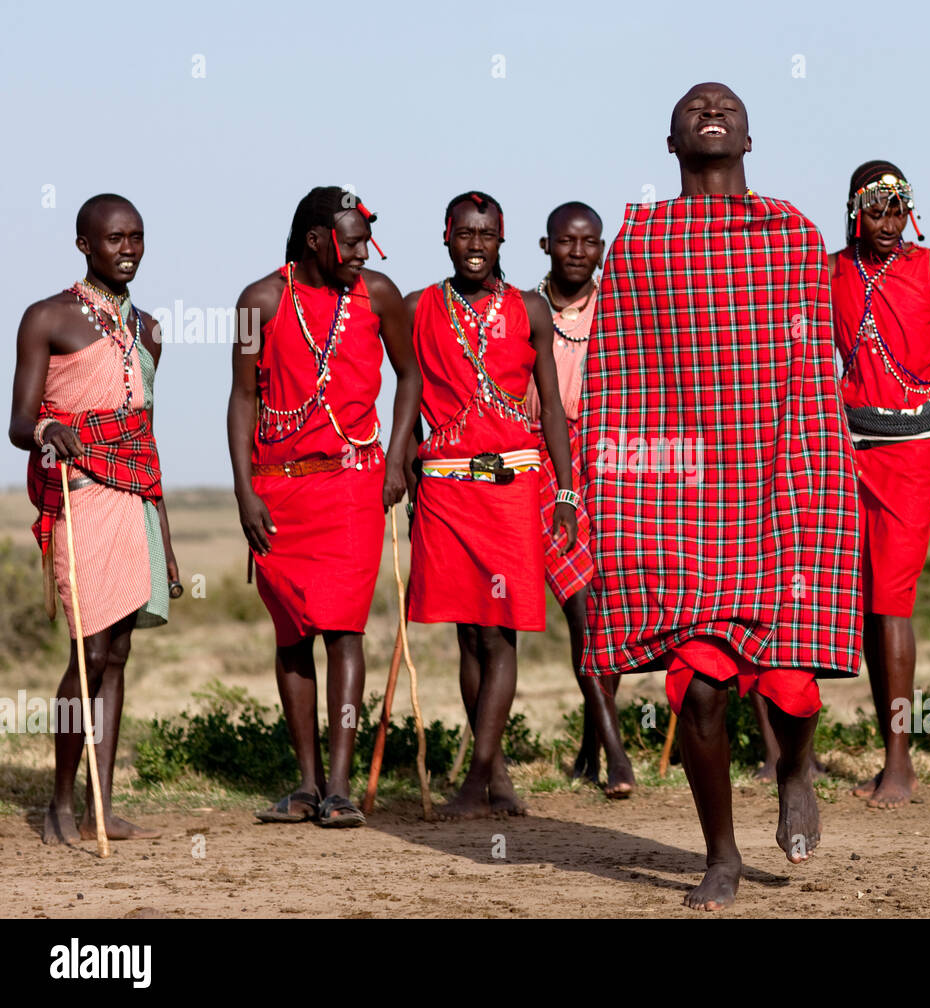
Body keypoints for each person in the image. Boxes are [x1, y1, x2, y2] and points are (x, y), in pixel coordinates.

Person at [580, 83, 862, 910]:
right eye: (696, 106)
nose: (713, 110)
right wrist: (614, 481)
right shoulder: (640, 242)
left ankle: (796, 768)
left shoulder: (792, 235)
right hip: (686, 497)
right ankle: (723, 855)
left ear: (750, 136)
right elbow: (621, 374)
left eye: (729, 106)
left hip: (781, 480)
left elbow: (814, 373)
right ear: (671, 142)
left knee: (793, 687)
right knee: (700, 687)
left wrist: (820, 474)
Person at [229, 186, 421, 828]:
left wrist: (396, 458)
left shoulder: (380, 296)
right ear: (316, 240)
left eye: (367, 241)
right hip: (278, 490)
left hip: (351, 484)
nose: (364, 253)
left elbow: (410, 375)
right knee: (292, 635)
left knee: (343, 628)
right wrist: (244, 490)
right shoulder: (259, 301)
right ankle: (306, 784)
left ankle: (339, 788)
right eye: (353, 241)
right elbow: (241, 399)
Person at [405, 191, 578, 821]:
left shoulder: (529, 309)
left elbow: (552, 407)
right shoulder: (419, 307)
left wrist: (564, 488)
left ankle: (478, 777)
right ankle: (495, 773)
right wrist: (403, 461)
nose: (475, 246)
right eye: (465, 234)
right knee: (468, 635)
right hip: (447, 489)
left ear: (502, 240)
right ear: (446, 235)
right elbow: (406, 390)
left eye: (487, 235)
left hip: (512, 488)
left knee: (501, 633)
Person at [10, 193, 177, 844]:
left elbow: (148, 440)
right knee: (90, 649)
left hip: (136, 497)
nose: (128, 248)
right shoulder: (46, 318)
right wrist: (49, 426)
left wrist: (165, 539)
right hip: (80, 496)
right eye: (113, 239)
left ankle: (99, 805)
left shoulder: (151, 330)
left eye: (136, 236)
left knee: (120, 653)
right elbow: (18, 423)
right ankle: (57, 803)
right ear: (85, 245)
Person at [829, 161, 930, 808]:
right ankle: (884, 755)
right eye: (877, 210)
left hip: (915, 450)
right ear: (856, 211)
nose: (889, 223)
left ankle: (900, 764)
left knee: (892, 601)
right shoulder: (828, 271)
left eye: (898, 209)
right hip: (846, 451)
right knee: (865, 604)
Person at [526, 201, 635, 798]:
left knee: (610, 606)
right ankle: (616, 755)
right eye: (567, 242)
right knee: (581, 605)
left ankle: (592, 747)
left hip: (611, 460)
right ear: (546, 246)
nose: (578, 252)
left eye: (590, 243)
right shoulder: (521, 308)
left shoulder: (618, 310)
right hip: (544, 458)